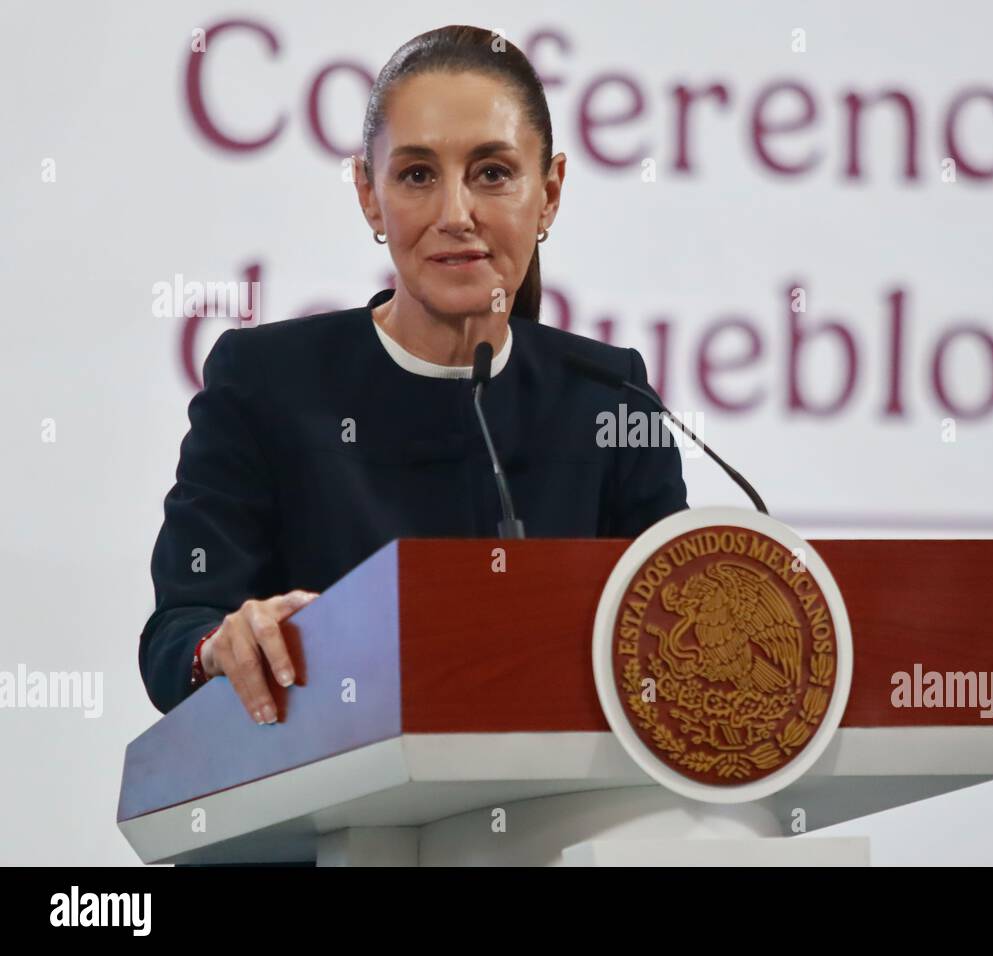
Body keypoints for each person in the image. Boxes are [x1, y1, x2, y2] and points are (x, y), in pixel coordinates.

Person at [138, 25, 689, 723]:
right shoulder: (265, 383)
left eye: (492, 173)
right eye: (418, 175)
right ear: (370, 194)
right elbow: (177, 633)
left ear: (549, 193)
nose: (455, 215)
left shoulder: (612, 397)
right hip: (327, 818)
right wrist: (221, 644)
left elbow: (676, 635)